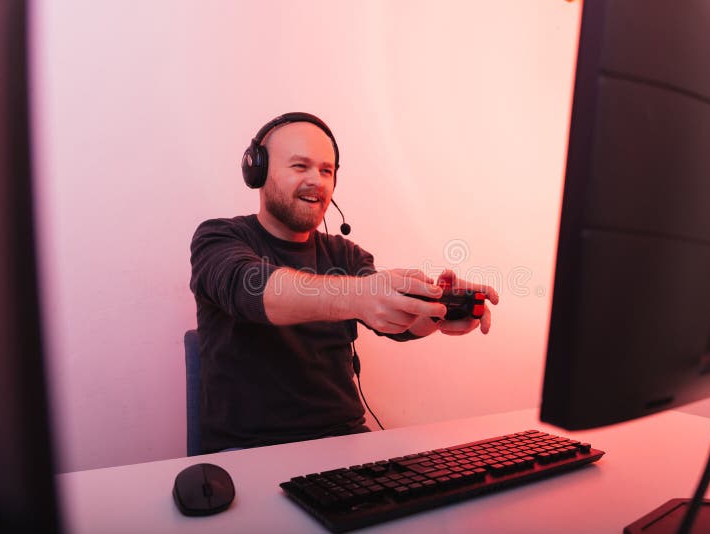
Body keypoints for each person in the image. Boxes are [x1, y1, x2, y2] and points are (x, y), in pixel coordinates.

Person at [189, 112, 498, 453]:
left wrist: (437, 309)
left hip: (346, 444)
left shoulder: (345, 254)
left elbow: (393, 322)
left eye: (326, 170)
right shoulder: (218, 238)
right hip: (249, 452)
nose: (317, 181)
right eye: (299, 166)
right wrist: (359, 295)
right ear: (258, 172)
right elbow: (253, 290)